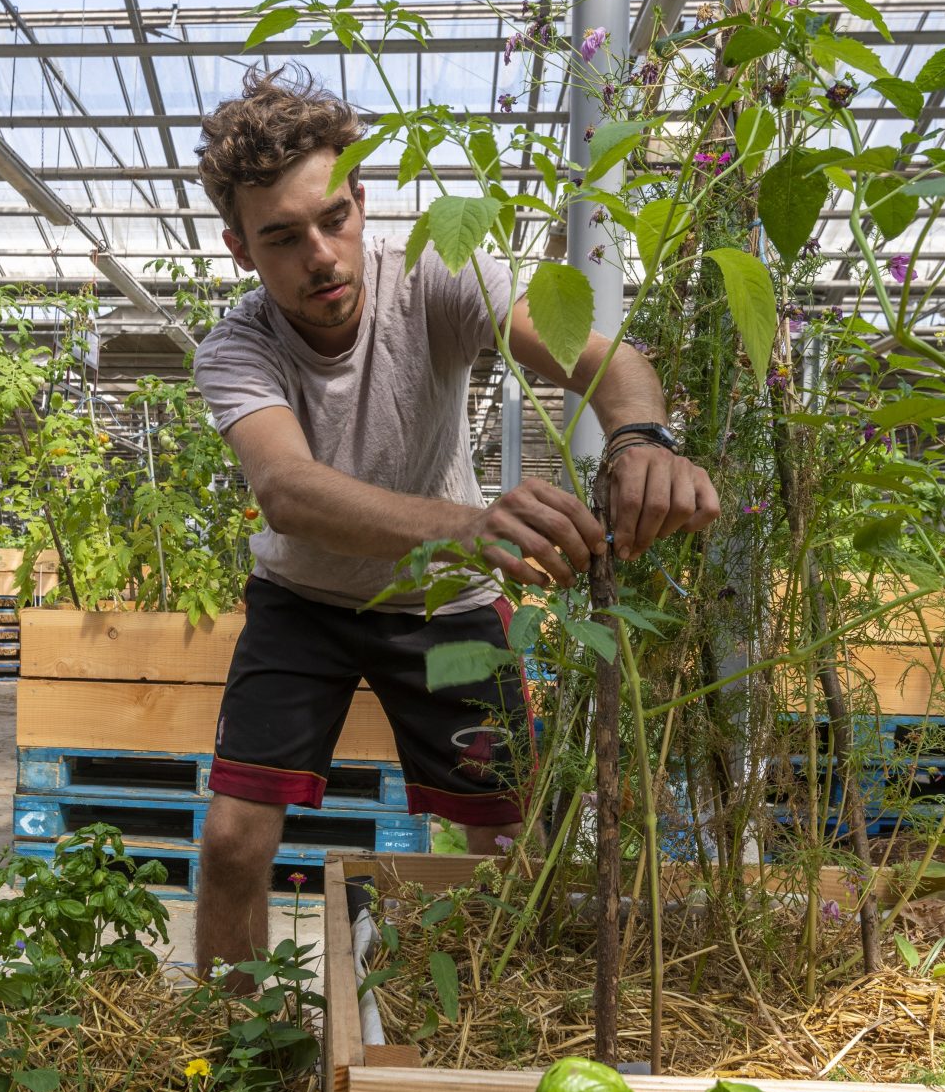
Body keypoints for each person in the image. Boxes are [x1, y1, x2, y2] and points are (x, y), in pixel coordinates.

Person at [189, 68, 722, 980]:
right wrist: (467, 525)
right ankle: (223, 1043)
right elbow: (287, 490)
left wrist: (638, 435)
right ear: (242, 249)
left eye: (334, 218)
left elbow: (606, 359)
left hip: (445, 606)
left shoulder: (437, 274)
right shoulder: (237, 350)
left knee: (508, 839)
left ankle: (513, 1023)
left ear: (363, 200)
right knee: (235, 841)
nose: (319, 254)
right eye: (281, 236)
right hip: (303, 604)